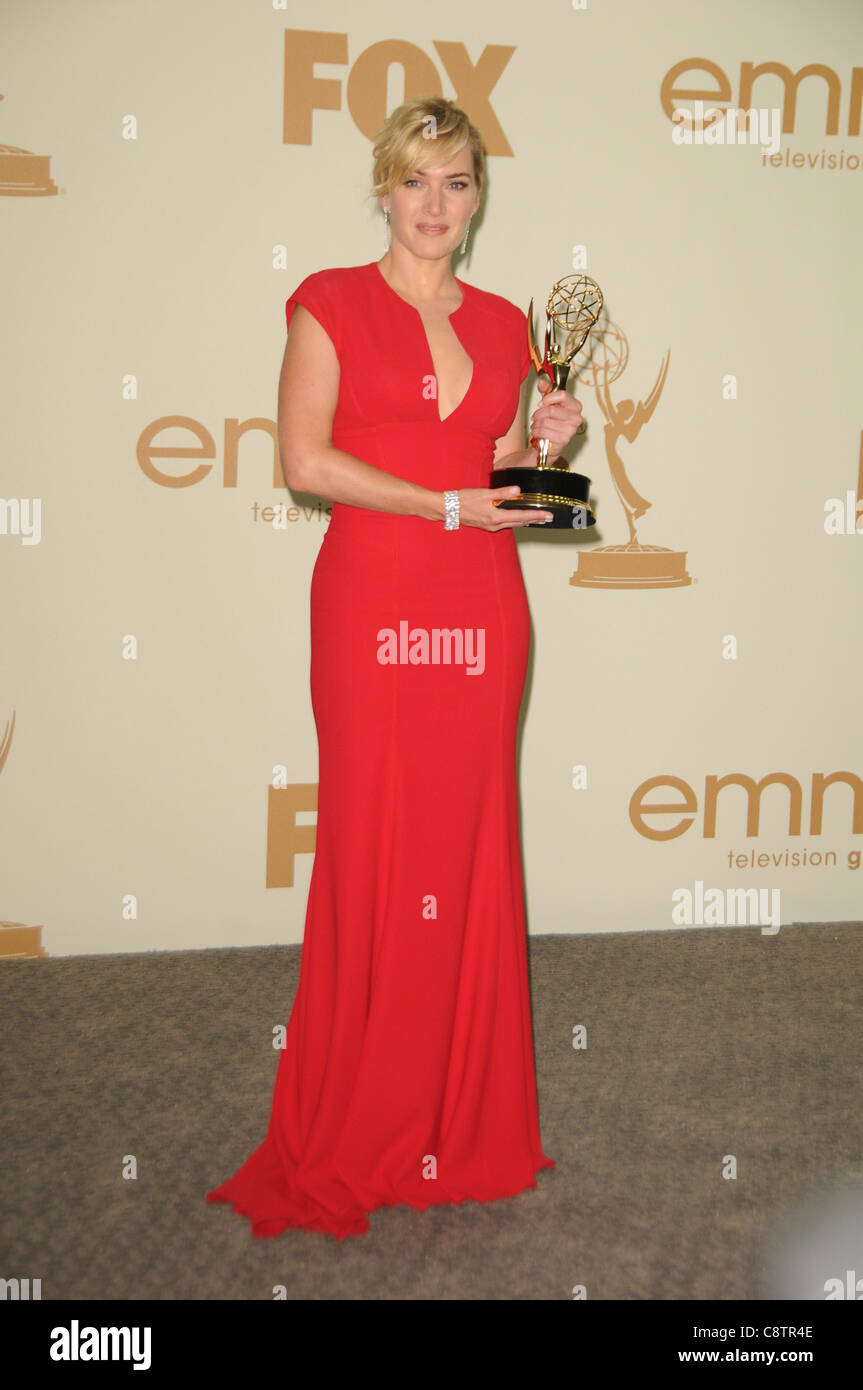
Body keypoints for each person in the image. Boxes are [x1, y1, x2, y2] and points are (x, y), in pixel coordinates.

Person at [205, 96, 583, 1239]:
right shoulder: (328, 302)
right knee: (376, 837)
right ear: (381, 188)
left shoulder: (512, 323)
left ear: (476, 199)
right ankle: (358, 1111)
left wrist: (538, 444)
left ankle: (457, 1114)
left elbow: (491, 464)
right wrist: (442, 505)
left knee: (464, 838)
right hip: (375, 597)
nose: (434, 204)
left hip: (480, 605)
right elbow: (307, 460)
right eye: (414, 181)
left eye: (456, 183)